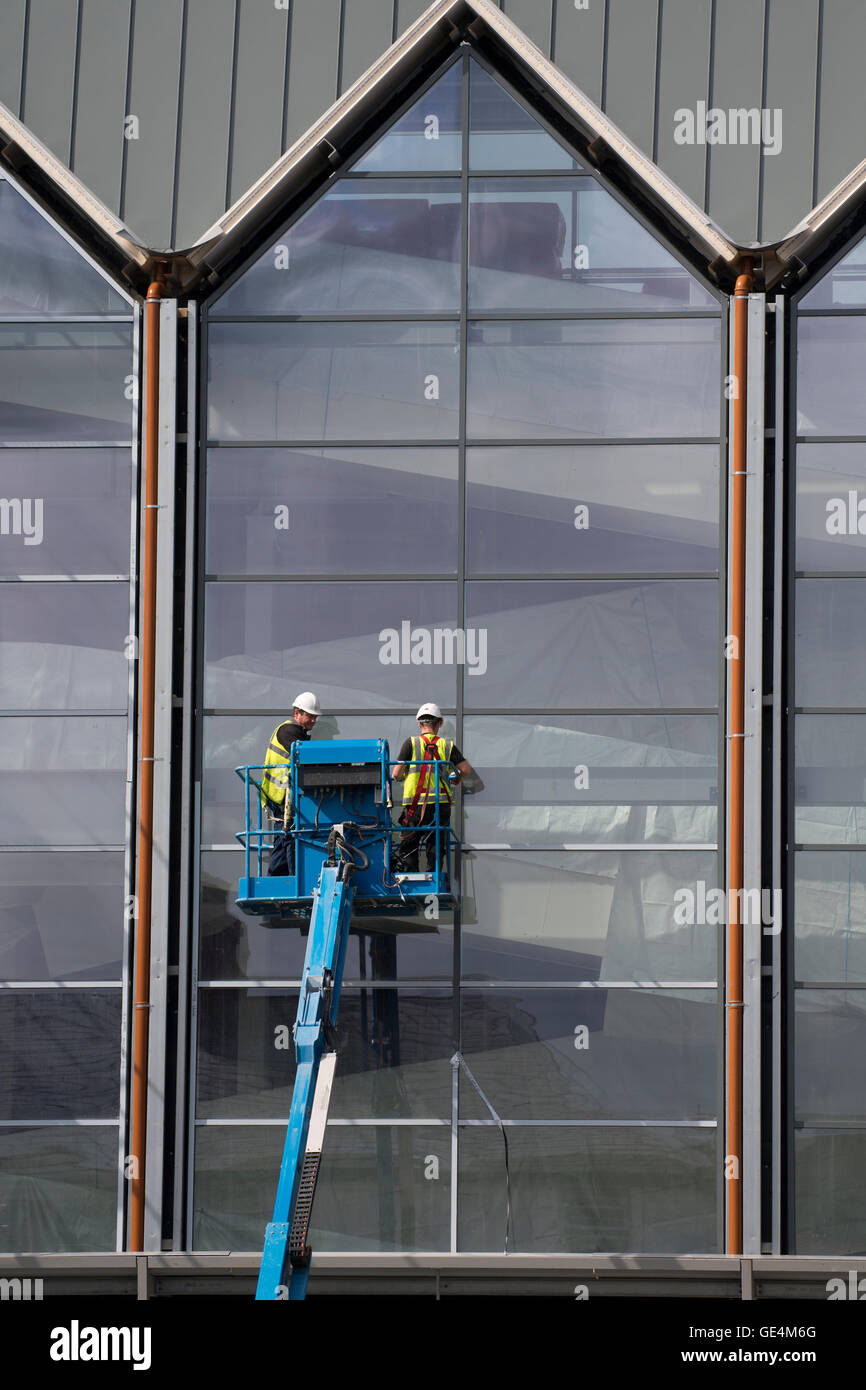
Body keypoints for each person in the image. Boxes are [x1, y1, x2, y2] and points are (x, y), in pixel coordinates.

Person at [391, 703, 474, 875]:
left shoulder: (411, 743)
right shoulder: (447, 746)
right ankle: (433, 874)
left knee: (409, 843)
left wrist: (404, 775)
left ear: (419, 724)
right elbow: (465, 770)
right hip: (440, 805)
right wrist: (455, 776)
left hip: (415, 805)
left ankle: (410, 875)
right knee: (436, 843)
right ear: (439, 723)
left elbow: (396, 774)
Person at [260, 692, 321, 876]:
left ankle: (276, 877)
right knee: (291, 837)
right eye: (310, 716)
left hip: (284, 796)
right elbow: (305, 757)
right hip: (282, 795)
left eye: (315, 717)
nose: (313, 721)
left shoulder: (297, 733)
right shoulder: (289, 731)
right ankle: (295, 878)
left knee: (283, 838)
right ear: (297, 713)